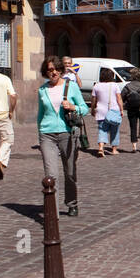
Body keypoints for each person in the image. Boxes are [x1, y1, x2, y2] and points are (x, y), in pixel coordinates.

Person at [37, 55, 89, 216]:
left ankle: (72, 203)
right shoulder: (42, 90)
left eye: (54, 69)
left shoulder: (71, 86)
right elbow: (41, 114)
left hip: (68, 133)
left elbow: (85, 109)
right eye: (48, 70)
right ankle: (52, 211)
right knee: (51, 174)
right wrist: (40, 131)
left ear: (60, 69)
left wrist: (73, 107)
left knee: (70, 172)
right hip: (47, 134)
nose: (52, 73)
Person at [91, 67, 123, 157]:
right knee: (115, 130)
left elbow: (93, 99)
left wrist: (93, 109)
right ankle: (114, 149)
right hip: (113, 110)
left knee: (102, 130)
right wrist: (121, 109)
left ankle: (101, 147)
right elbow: (119, 99)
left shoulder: (96, 86)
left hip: (101, 111)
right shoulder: (115, 85)